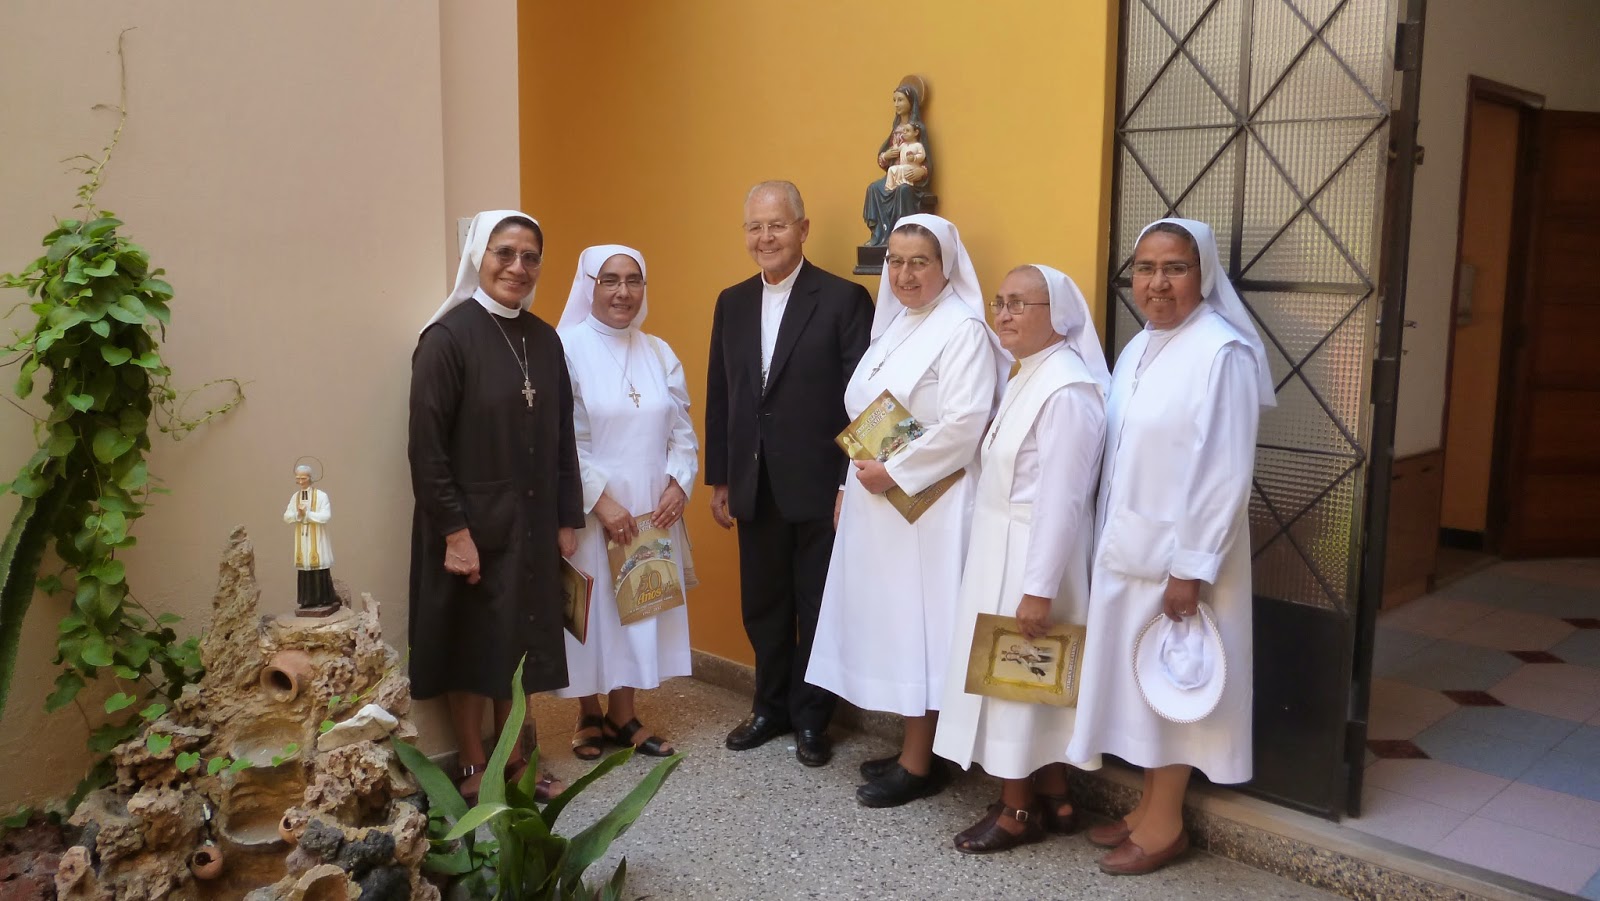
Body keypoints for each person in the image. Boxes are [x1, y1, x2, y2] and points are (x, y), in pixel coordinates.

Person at [1066, 218, 1276, 875]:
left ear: (1202, 274)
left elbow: (1225, 473)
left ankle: (1165, 824)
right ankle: (1146, 807)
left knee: (1178, 682)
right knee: (1144, 683)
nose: (1157, 283)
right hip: (1132, 549)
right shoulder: (1142, 345)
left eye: (1175, 268)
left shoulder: (1222, 352)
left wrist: (1191, 567)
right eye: (1146, 268)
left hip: (1185, 558)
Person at [806, 213, 1008, 807]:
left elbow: (966, 423)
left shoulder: (964, 327)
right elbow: (868, 418)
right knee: (896, 624)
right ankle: (912, 748)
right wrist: (850, 485)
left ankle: (921, 761)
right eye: (894, 261)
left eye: (919, 261)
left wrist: (893, 471)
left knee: (924, 625)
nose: (904, 273)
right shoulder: (892, 325)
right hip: (878, 503)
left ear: (946, 266)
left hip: (931, 508)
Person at [931, 264, 1111, 852]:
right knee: (1023, 685)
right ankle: (1056, 796)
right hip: (1004, 549)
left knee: (1014, 682)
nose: (1003, 314)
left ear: (1056, 314)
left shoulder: (1067, 389)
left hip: (1033, 558)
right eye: (999, 302)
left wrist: (1038, 588)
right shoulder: (1029, 373)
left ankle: (1017, 809)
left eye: (1019, 304)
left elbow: (1062, 500)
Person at [408, 209, 585, 802]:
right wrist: (454, 532)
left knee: (523, 641)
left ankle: (516, 759)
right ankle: (473, 759)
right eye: (504, 253)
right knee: (472, 643)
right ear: (477, 257)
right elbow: (425, 450)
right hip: (470, 525)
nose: (518, 267)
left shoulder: (545, 338)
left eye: (530, 256)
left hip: (531, 522)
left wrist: (566, 518)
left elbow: (563, 438)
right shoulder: (448, 339)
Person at [705, 180, 874, 767]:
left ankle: (810, 719)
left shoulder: (843, 299)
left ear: (802, 229)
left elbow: (865, 398)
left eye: (776, 225)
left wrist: (847, 481)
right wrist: (721, 478)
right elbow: (722, 393)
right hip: (755, 483)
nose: (765, 237)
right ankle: (768, 706)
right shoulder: (731, 301)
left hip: (821, 486)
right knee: (764, 605)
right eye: (754, 226)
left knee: (818, 604)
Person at [554, 244, 696, 761]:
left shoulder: (658, 351)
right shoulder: (562, 348)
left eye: (633, 280)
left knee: (638, 612)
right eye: (609, 280)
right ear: (588, 284)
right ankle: (588, 712)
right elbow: (562, 437)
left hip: (649, 510)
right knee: (593, 616)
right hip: (592, 509)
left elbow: (682, 430)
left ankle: (623, 714)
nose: (622, 292)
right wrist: (601, 502)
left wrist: (679, 483)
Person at [862, 83, 934, 246]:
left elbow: (926, 158)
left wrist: (921, 172)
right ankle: (879, 234)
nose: (896, 104)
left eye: (900, 100)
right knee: (874, 188)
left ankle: (902, 235)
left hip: (910, 178)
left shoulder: (917, 129)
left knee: (903, 191)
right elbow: (883, 158)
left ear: (911, 102)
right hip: (893, 176)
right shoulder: (895, 129)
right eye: (894, 100)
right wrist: (886, 156)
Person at [284, 464, 336, 613]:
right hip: (302, 538)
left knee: (318, 566)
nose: (300, 482)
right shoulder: (295, 497)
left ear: (310, 478)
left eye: (303, 478)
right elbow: (287, 516)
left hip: (317, 537)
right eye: (298, 478)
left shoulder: (321, 496)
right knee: (305, 568)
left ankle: (323, 599)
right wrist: (298, 515)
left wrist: (307, 514)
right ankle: (306, 601)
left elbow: (326, 516)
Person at [883, 123, 928, 190]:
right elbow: (897, 150)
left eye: (907, 130)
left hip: (912, 167)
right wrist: (894, 147)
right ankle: (890, 186)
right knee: (892, 169)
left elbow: (922, 155)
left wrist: (914, 158)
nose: (904, 132)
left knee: (903, 170)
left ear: (916, 132)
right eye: (903, 131)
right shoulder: (903, 145)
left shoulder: (918, 145)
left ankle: (904, 183)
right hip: (902, 165)